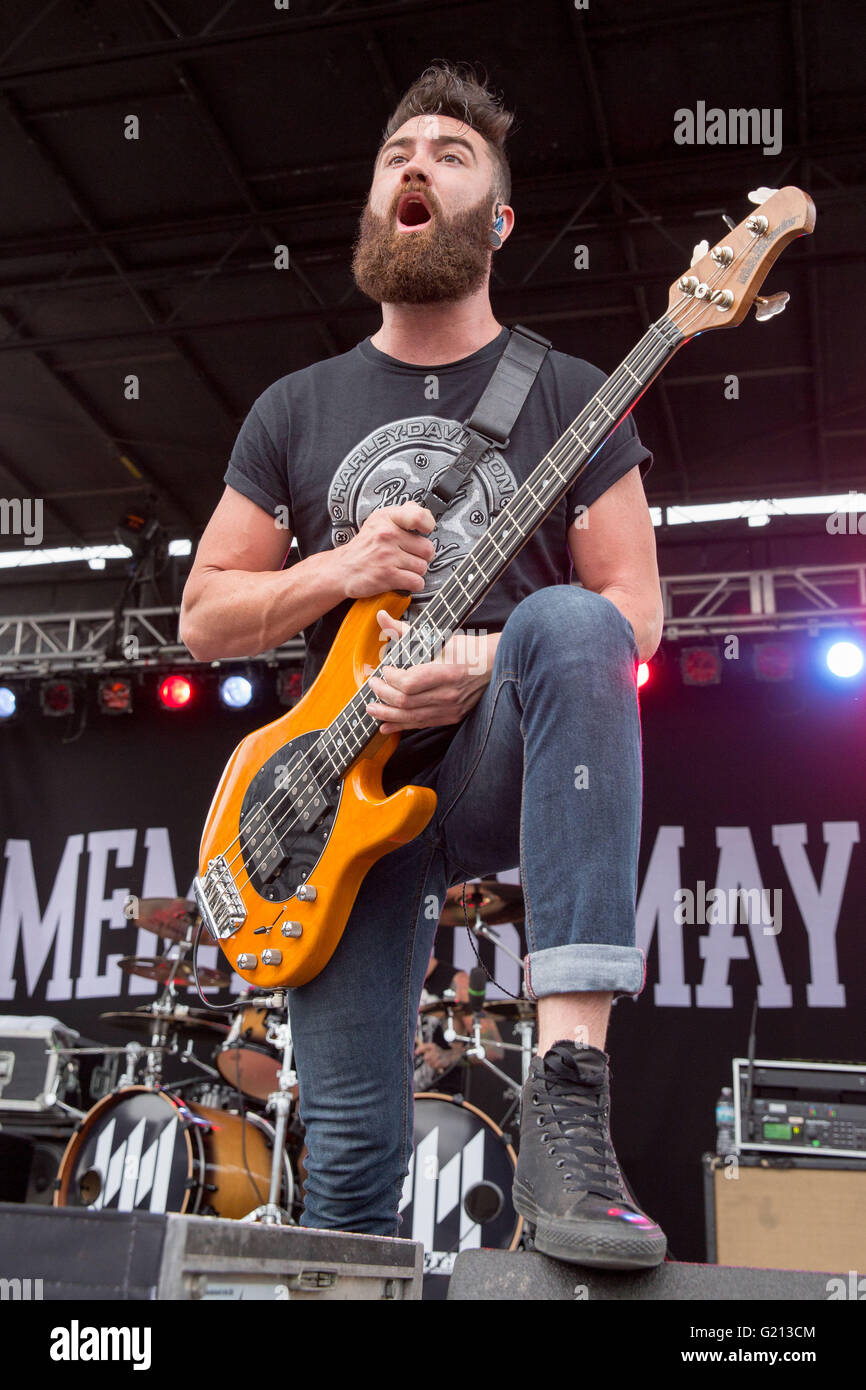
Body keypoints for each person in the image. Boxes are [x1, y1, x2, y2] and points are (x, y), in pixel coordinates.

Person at [180, 61, 666, 1269]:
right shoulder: (295, 405)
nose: (416, 165)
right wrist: (338, 572)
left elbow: (636, 613)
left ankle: (566, 1094)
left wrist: (473, 658)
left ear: (495, 221)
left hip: (496, 747)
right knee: (348, 1167)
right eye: (399, 153)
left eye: (451, 155)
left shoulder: (568, 392)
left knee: (573, 625)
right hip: (333, 798)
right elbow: (203, 616)